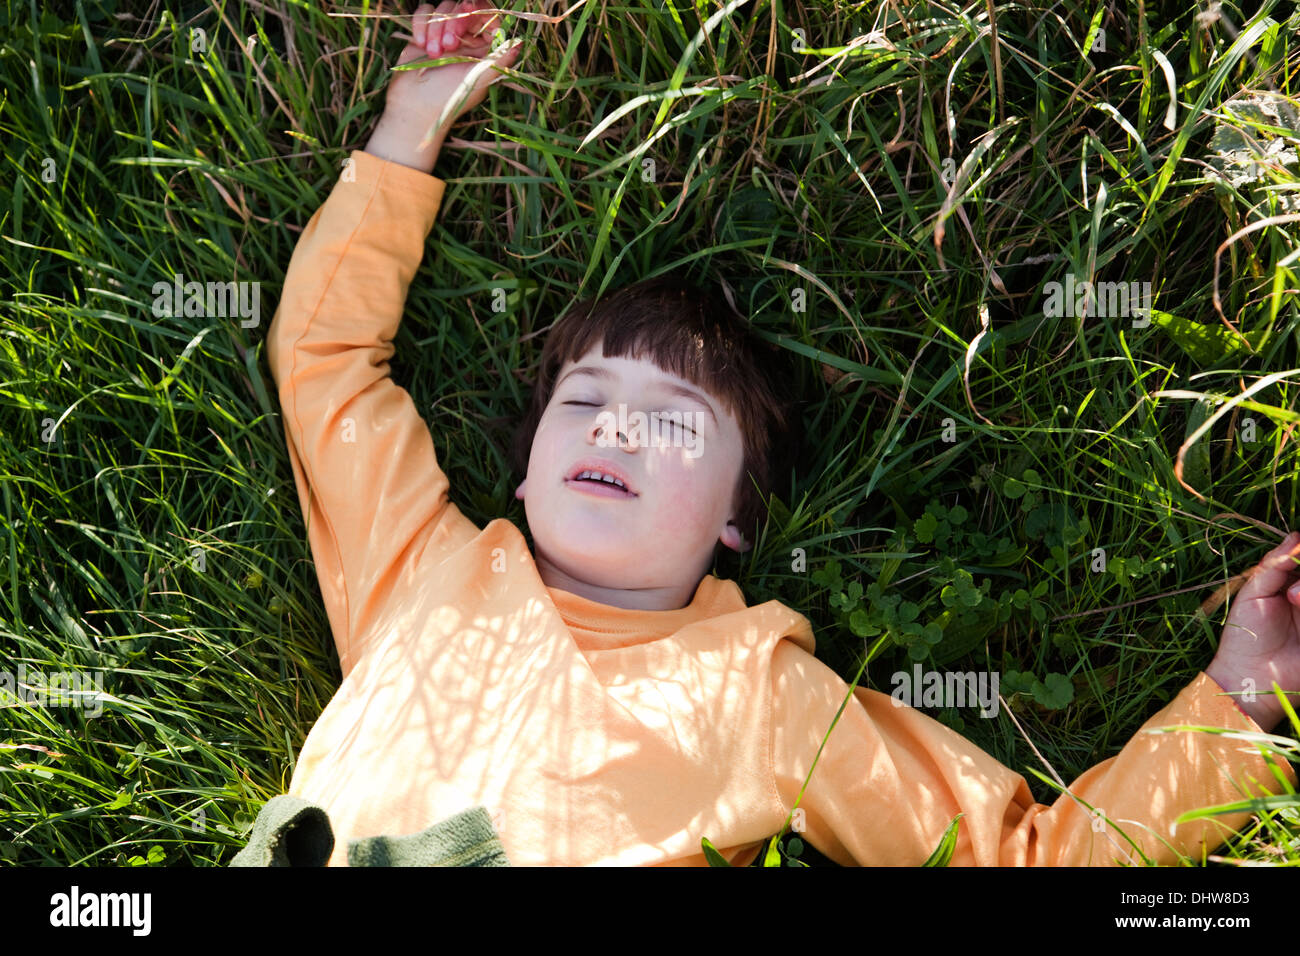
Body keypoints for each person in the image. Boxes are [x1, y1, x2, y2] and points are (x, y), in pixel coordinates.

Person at [260, 0, 1299, 865]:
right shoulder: (423, 566)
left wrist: (1240, 702)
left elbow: (1022, 853)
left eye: (669, 422)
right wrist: (408, 129)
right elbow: (324, 366)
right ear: (525, 477)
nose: (613, 426)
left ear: (737, 520)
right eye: (580, 403)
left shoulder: (761, 693)